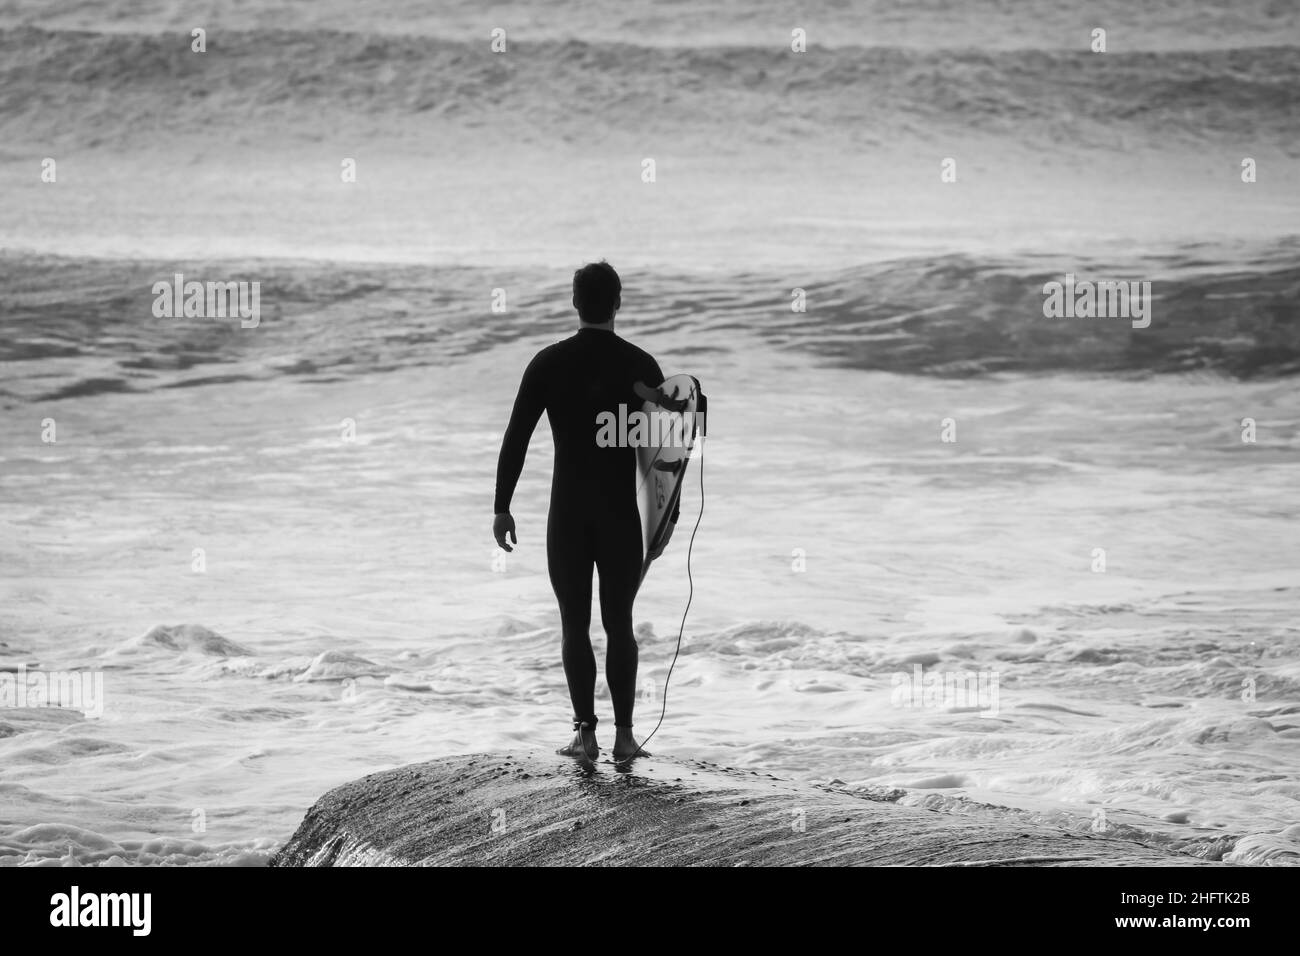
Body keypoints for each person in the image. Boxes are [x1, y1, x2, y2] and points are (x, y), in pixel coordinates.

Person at [493, 261, 663, 762]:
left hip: (567, 515)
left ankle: (585, 735)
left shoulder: (548, 363)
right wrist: (664, 518)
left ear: (574, 301)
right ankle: (626, 738)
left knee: (574, 623)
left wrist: (502, 507)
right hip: (619, 518)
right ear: (618, 302)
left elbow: (516, 438)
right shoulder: (642, 367)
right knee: (620, 623)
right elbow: (658, 457)